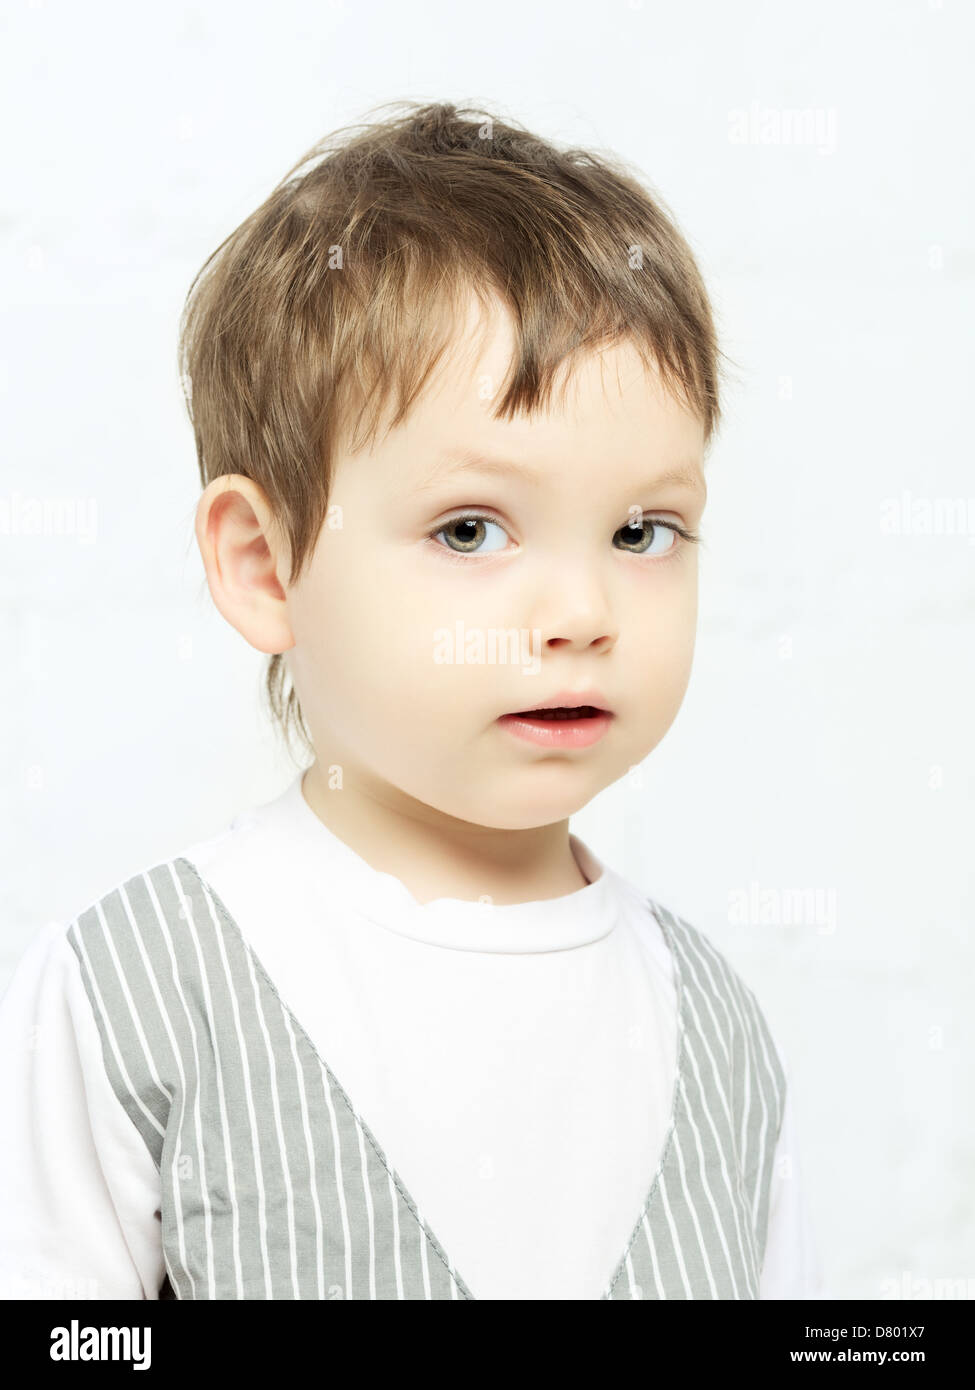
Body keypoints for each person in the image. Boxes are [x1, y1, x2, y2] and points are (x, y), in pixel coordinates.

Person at [0, 101, 824, 1301]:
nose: (582, 609)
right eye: (471, 528)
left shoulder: (717, 1033)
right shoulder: (132, 991)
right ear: (265, 565)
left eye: (642, 530)